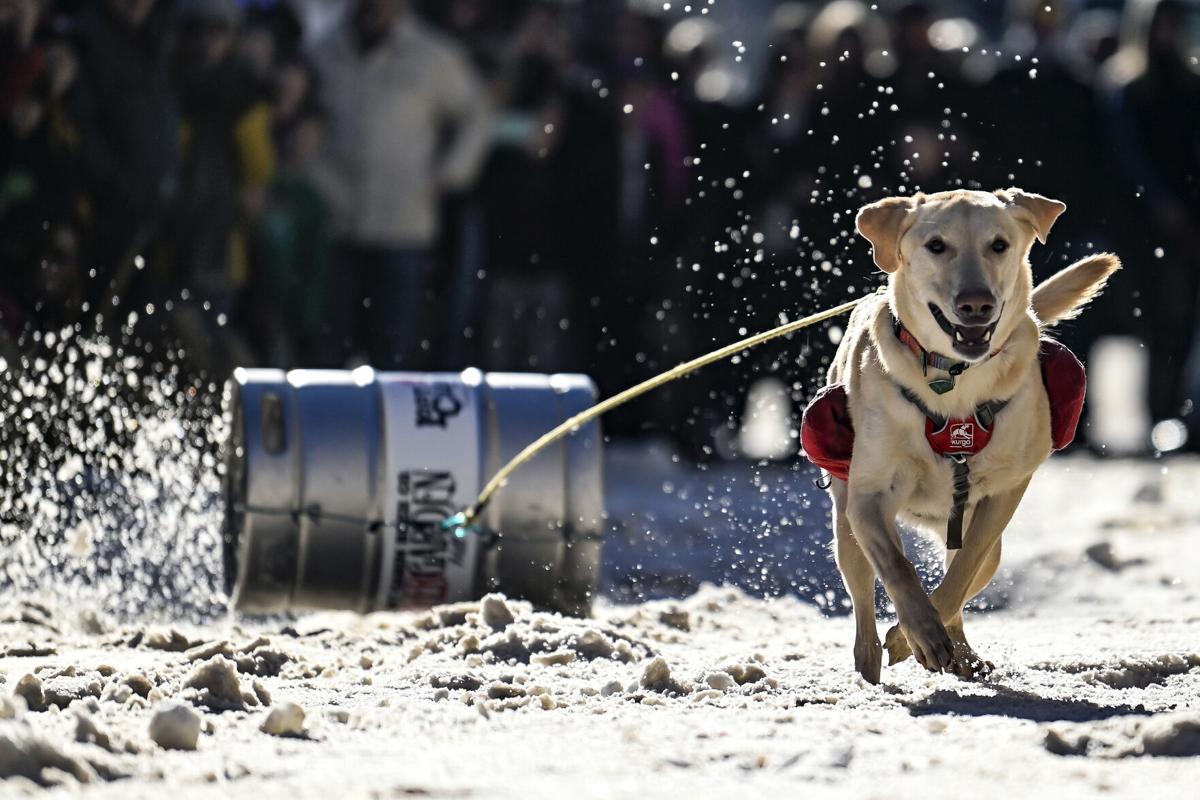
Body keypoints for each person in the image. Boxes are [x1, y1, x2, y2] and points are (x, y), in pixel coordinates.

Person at [309, 0, 491, 369]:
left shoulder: (432, 55)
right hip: (334, 221)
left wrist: (451, 174)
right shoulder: (323, 53)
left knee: (395, 346)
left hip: (403, 225)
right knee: (329, 342)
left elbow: (478, 115)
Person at [1103, 0, 1200, 449]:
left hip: (1190, 219)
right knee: (1156, 324)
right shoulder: (1128, 87)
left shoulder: (1189, 83)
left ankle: (1177, 416)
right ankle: (1156, 417)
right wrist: (1160, 205)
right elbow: (1129, 159)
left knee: (1183, 327)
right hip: (1146, 226)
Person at [69, 0, 178, 309]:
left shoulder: (152, 45)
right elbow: (81, 129)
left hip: (142, 222)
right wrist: (119, 187)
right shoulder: (88, 37)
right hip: (96, 216)